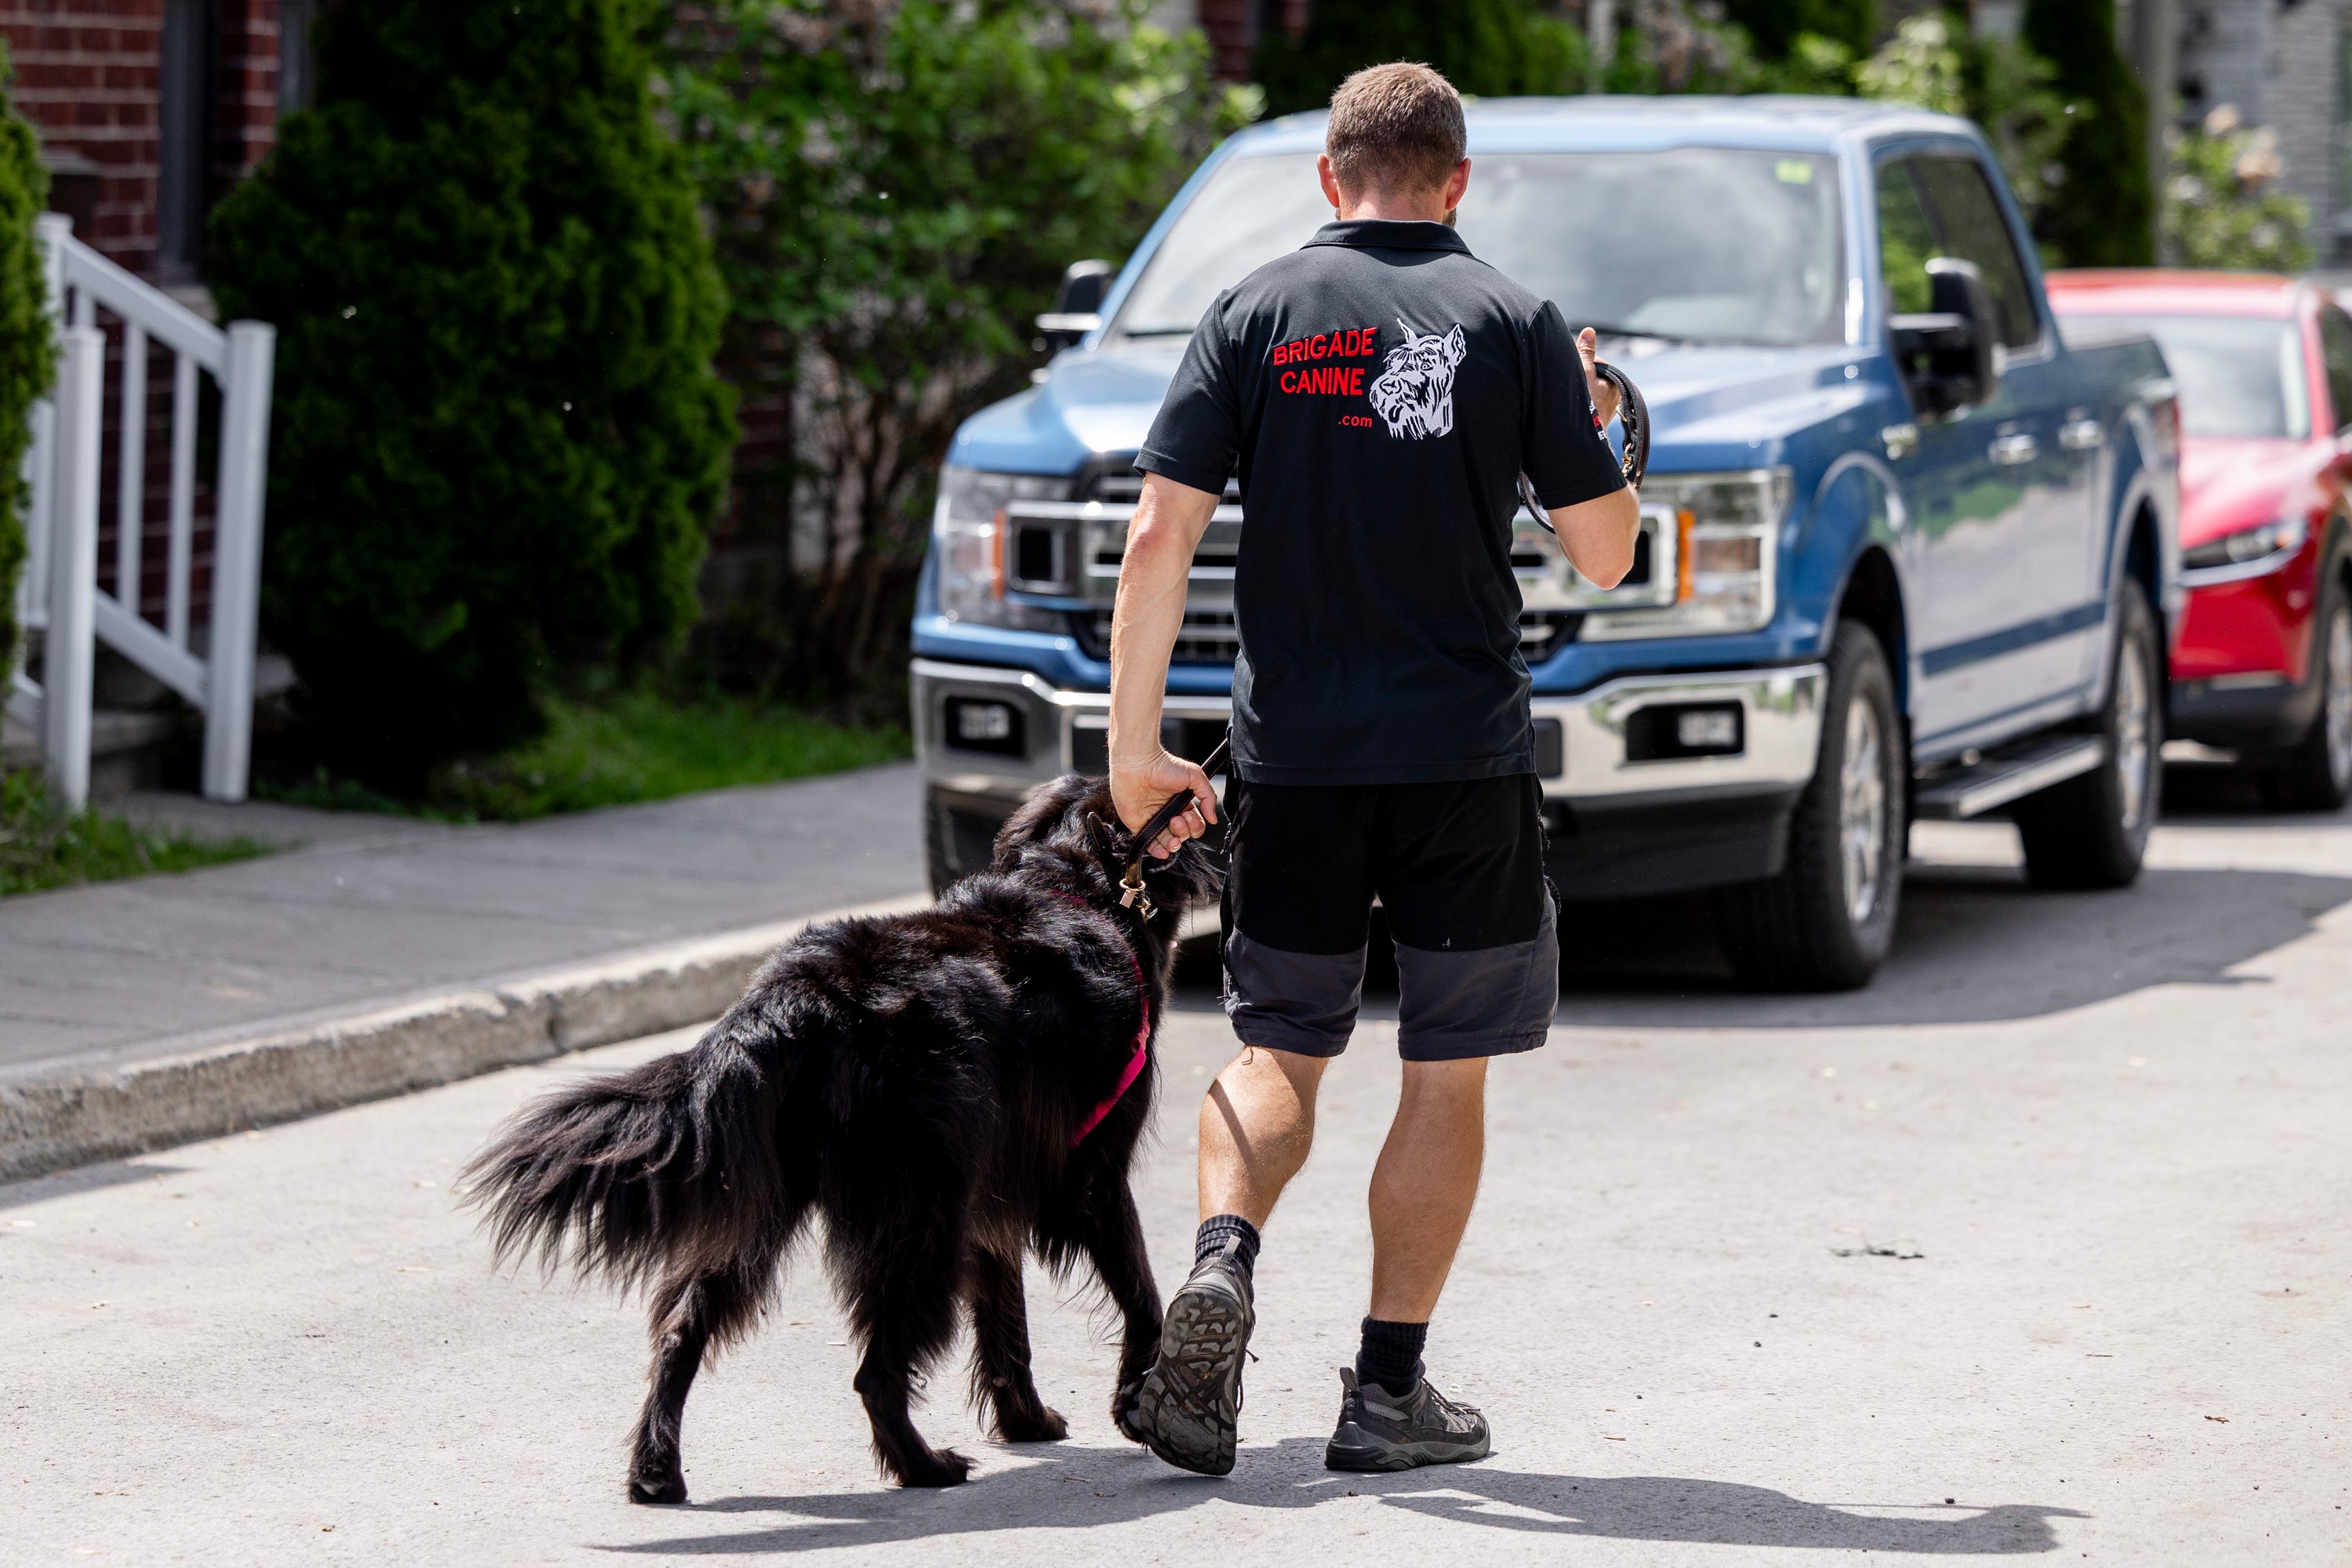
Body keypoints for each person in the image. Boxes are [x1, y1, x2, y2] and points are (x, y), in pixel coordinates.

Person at [1107, 62, 1642, 1478]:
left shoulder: (1256, 311)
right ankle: (1388, 1393)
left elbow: (1159, 536)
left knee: (1280, 1044)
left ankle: (1223, 1263)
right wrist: (1599, 421)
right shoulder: (1517, 320)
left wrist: (1134, 749)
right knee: (1446, 1073)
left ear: (1330, 181)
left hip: (1297, 759)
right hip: (1462, 761)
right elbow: (1606, 550)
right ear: (1458, 183)